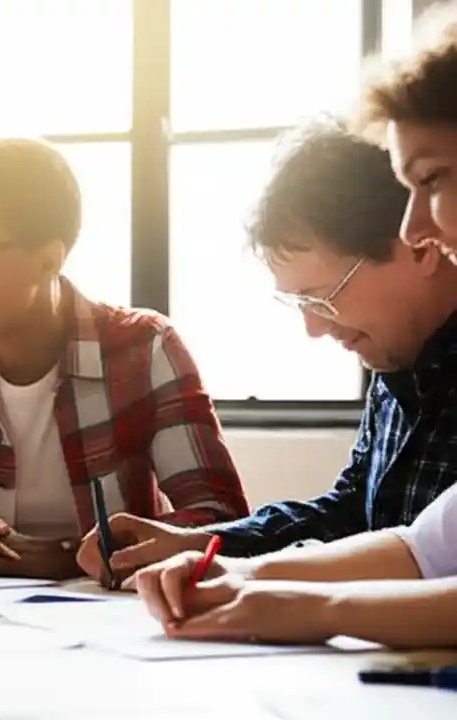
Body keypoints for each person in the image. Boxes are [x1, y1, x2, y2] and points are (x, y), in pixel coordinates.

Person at [130, 5, 457, 651]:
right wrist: (239, 568)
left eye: (432, 180)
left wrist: (310, 606)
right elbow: (425, 546)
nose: (417, 224)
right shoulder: (397, 366)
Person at [76, 119, 457, 589]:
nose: (315, 327)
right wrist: (191, 543)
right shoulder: (396, 357)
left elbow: (422, 560)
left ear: (421, 245)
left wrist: (252, 579)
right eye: (300, 303)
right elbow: (352, 511)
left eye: (321, 297)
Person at [0, 138, 249, 579]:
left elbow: (222, 518)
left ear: (47, 260)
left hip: (118, 612)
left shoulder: (145, 347)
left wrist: (76, 555)